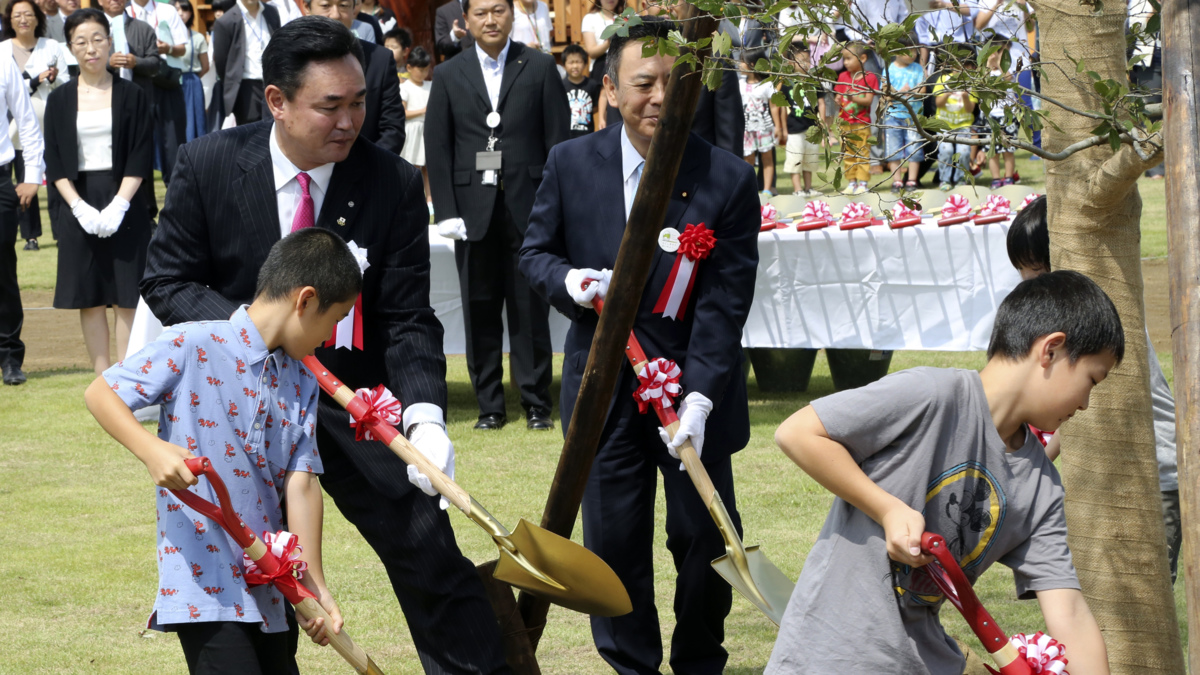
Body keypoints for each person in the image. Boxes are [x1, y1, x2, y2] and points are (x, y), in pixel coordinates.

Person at [140, 17, 512, 673]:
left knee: (431, 552)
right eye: (330, 106)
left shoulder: (391, 182)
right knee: (261, 585)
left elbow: (408, 316)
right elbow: (166, 279)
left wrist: (424, 416)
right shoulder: (210, 164)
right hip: (244, 415)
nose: (348, 121)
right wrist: (251, 333)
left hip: (353, 402)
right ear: (277, 101)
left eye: (359, 102)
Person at [519, 16, 760, 674]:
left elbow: (724, 302)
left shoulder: (728, 179)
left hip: (690, 392)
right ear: (611, 89)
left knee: (703, 534)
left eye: (672, 83)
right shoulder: (572, 162)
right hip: (602, 391)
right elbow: (535, 253)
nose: (658, 97)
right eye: (643, 83)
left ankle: (699, 656)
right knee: (614, 540)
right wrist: (569, 280)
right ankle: (630, 663)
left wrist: (702, 398)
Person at [766, 269, 1119, 674]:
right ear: (1051, 350)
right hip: (827, 657)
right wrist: (887, 509)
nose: (1087, 403)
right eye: (1092, 379)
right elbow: (797, 432)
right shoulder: (929, 395)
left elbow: (1069, 612)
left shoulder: (1041, 487)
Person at [85, 228, 358, 672]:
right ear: (305, 300)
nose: (330, 336)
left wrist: (314, 585)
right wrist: (152, 450)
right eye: (335, 319)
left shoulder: (303, 380)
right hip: (204, 586)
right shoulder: (193, 343)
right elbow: (102, 393)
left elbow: (302, 482)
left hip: (271, 586)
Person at [1006, 196, 1182, 583]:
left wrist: (1037, 460)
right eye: (1022, 272)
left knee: (1141, 589)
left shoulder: (1097, 330)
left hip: (1156, 473)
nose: (1027, 285)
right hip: (1112, 473)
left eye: (1036, 271)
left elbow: (1085, 413)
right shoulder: (1080, 319)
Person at [425, 0, 569, 431]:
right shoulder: (448, 73)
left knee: (530, 309)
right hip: (471, 214)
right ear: (465, 21)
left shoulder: (540, 67)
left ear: (512, 15)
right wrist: (446, 210)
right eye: (481, 13)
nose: (490, 20)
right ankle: (490, 405)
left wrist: (557, 210)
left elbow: (559, 143)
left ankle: (536, 402)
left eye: (498, 11)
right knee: (480, 308)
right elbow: (438, 146)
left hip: (529, 208)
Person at [46, 8, 154, 378]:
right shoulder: (59, 99)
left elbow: (141, 153)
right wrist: (77, 207)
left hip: (126, 197)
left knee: (127, 296)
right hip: (78, 199)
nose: (90, 48)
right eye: (81, 42)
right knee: (89, 295)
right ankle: (103, 378)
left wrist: (120, 204)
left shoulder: (133, 94)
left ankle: (127, 377)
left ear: (110, 42)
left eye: (97, 39)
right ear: (70, 48)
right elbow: (55, 160)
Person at [0, 0, 69, 251]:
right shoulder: (3, 50)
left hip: (51, 123)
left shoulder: (51, 46)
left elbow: (66, 81)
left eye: (28, 14)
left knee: (56, 180)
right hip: (15, 129)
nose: (23, 19)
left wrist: (53, 77)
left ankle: (61, 232)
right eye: (17, 15)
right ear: (9, 20)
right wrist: (34, 80)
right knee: (22, 179)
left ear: (38, 18)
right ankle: (30, 236)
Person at [0, 10, 44, 387]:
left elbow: (26, 120)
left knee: (2, 269)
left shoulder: (3, 59)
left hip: (1, 176)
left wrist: (32, 177)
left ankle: (10, 356)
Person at [305, 0, 406, 155]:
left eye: (343, 6)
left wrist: (365, 169)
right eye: (325, 6)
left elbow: (392, 129)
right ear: (307, 8)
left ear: (354, 9)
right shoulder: (288, 57)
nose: (335, 15)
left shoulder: (380, 60)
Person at [126, 0, 189, 192]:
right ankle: (145, 206)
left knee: (173, 140)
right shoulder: (124, 12)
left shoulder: (167, 10)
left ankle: (177, 192)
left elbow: (183, 48)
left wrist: (167, 48)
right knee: (139, 143)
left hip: (166, 82)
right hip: (137, 83)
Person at [212, 0, 280, 126]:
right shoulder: (225, 21)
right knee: (250, 135)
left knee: (274, 129)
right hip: (246, 88)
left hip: (272, 84)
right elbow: (221, 63)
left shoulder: (271, 13)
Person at [776, 43, 825, 196]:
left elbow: (821, 103)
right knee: (795, 159)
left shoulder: (814, 81)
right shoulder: (786, 83)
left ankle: (808, 188)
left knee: (810, 160)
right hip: (794, 129)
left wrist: (822, 124)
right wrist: (783, 128)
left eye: (807, 60)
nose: (805, 64)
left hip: (811, 129)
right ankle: (797, 189)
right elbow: (781, 107)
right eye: (801, 60)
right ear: (791, 63)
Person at [881, 39, 925, 191]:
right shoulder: (888, 69)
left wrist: (912, 91)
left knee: (915, 148)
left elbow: (923, 92)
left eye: (914, 51)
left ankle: (912, 180)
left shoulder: (918, 68)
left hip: (913, 117)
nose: (912, 54)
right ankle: (897, 180)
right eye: (908, 51)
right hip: (893, 115)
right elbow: (885, 94)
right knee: (894, 149)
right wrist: (899, 93)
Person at [834, 42, 877, 195]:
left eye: (848, 59)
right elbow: (838, 96)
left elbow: (868, 101)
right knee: (848, 153)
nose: (845, 63)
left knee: (862, 152)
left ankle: (863, 183)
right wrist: (838, 99)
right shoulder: (842, 76)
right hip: (845, 123)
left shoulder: (870, 78)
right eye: (844, 59)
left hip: (862, 123)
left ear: (863, 58)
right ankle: (852, 182)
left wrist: (853, 98)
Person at [932, 49, 976, 190]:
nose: (962, 69)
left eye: (966, 66)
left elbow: (970, 109)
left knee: (963, 152)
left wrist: (964, 96)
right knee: (946, 151)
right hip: (944, 125)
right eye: (959, 65)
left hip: (963, 126)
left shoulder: (972, 83)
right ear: (952, 66)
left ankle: (960, 179)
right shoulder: (943, 80)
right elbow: (938, 103)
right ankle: (944, 180)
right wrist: (947, 92)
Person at [740, 48, 775, 197]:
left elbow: (774, 107)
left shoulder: (767, 85)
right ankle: (750, 189)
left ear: (752, 64)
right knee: (748, 159)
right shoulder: (739, 84)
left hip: (764, 128)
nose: (739, 64)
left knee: (767, 158)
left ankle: (767, 190)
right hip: (746, 129)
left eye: (742, 61)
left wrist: (779, 127)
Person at [580, 0, 621, 129]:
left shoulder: (627, 17)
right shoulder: (590, 18)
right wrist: (608, 43)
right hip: (601, 65)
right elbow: (591, 51)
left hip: (622, 62)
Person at [399, 46, 430, 209]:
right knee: (413, 167)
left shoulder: (431, 85)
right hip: (412, 131)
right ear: (409, 67)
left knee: (428, 167)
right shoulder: (405, 88)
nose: (424, 73)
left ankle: (430, 202)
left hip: (427, 130)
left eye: (426, 69)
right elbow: (402, 113)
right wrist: (423, 110)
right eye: (420, 69)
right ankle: (412, 200)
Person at [984, 40, 1018, 187]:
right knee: (993, 150)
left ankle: (1009, 177)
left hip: (1008, 115)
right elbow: (982, 83)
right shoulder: (984, 71)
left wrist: (999, 64)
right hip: (991, 116)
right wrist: (987, 65)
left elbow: (1008, 78)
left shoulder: (1008, 68)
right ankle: (996, 178)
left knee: (1008, 148)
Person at [175, 0, 209, 141]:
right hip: (171, 82)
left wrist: (192, 78)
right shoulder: (165, 37)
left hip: (192, 81)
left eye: (184, 10)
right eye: (177, 9)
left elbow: (205, 66)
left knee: (195, 123)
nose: (180, 13)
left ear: (191, 13)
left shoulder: (198, 37)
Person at [562, 43, 599, 139]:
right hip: (567, 134)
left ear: (585, 63)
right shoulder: (561, 86)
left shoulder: (592, 85)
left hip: (588, 134)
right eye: (571, 62)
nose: (575, 66)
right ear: (564, 65)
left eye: (578, 62)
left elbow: (595, 107)